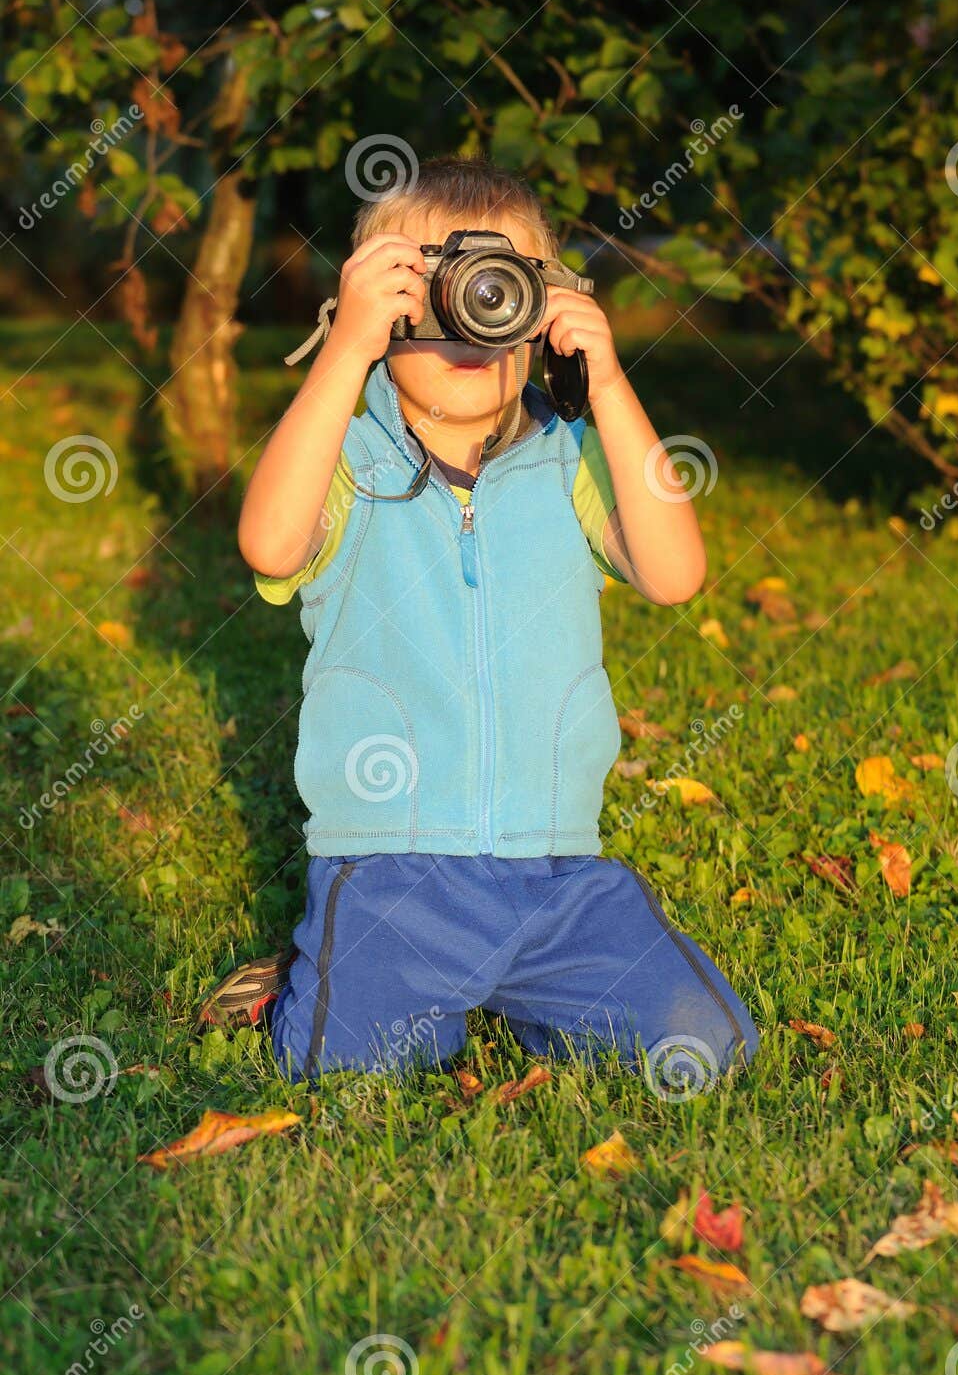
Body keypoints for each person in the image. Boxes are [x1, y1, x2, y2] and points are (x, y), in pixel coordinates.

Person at [204, 156, 758, 1088]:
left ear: (543, 310)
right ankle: (298, 987)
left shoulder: (568, 452)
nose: (469, 316)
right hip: (392, 876)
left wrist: (610, 386)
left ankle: (518, 989)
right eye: (430, 286)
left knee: (705, 1047)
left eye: (503, 286)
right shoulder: (342, 448)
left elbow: (675, 575)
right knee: (350, 1074)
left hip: (559, 878)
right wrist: (344, 352)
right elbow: (268, 542)